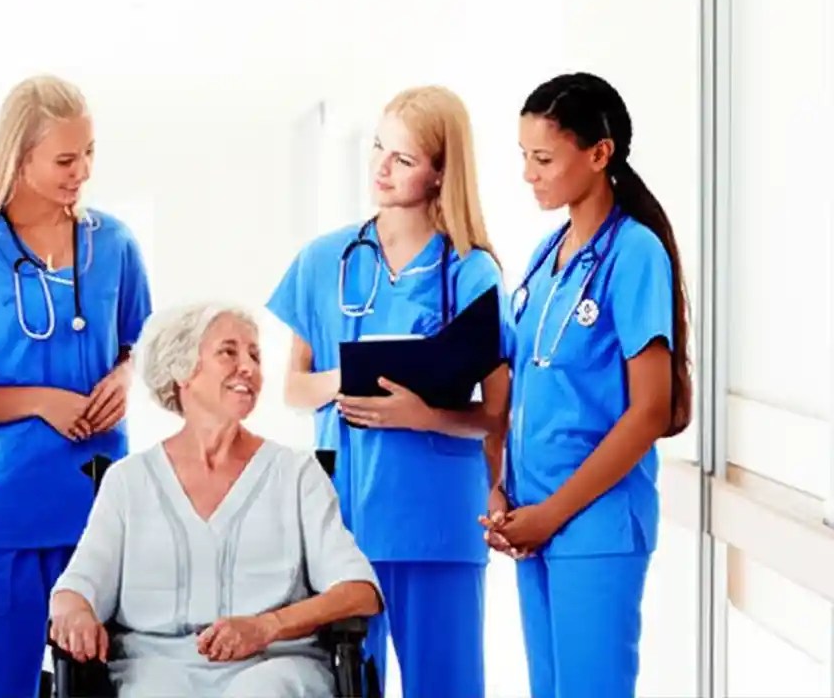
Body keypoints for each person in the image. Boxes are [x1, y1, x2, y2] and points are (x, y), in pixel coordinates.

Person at [265, 85, 512, 698]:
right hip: (345, 523)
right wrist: (349, 380)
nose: (380, 167)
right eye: (378, 147)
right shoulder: (325, 260)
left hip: (440, 523)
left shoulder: (470, 271)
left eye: (402, 158)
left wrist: (422, 415)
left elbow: (498, 414)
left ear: (439, 174)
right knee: (347, 685)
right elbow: (292, 388)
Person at [0, 74, 153, 698]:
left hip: (101, 508)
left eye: (90, 153)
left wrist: (126, 376)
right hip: (6, 513)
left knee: (109, 685)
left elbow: (142, 344)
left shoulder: (117, 244)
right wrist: (37, 400)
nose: (83, 172)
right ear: (19, 159)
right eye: (66, 159)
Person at [48, 303, 382, 697]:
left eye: (255, 356)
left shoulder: (295, 475)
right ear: (181, 369)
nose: (249, 368)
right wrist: (74, 613)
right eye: (229, 352)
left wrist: (267, 626)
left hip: (274, 663)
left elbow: (360, 591)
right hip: (155, 666)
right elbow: (79, 585)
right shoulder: (128, 481)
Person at [486, 71, 692, 698]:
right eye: (523, 157)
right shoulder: (548, 255)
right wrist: (503, 492)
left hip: (592, 525)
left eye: (544, 158)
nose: (529, 173)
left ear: (599, 154)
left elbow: (650, 410)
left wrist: (551, 513)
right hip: (533, 519)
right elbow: (528, 390)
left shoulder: (634, 255)